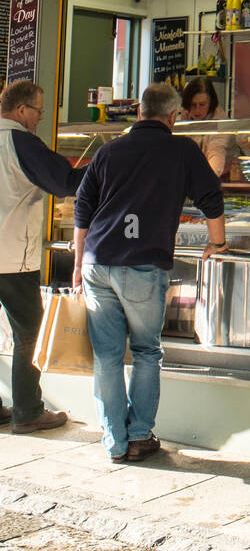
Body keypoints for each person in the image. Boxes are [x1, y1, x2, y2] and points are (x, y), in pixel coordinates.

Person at [73, 82, 227, 464]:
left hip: (97, 262)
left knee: (107, 356)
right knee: (145, 352)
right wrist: (218, 243)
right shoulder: (181, 150)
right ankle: (140, 435)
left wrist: (78, 264)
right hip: (141, 263)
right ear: (173, 116)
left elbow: (82, 209)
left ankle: (114, 441)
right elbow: (212, 196)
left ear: (139, 111)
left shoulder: (108, 150)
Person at [0, 80, 85, 434]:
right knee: (29, 332)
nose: (39, 119)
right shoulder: (20, 142)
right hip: (11, 255)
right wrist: (109, 171)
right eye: (38, 111)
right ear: (21, 111)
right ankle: (29, 411)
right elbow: (64, 181)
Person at [179, 76, 232, 176]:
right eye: (193, 104)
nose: (197, 110)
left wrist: (205, 182)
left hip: (221, 178)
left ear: (211, 103)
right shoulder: (186, 115)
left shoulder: (219, 121)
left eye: (202, 104)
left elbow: (216, 153)